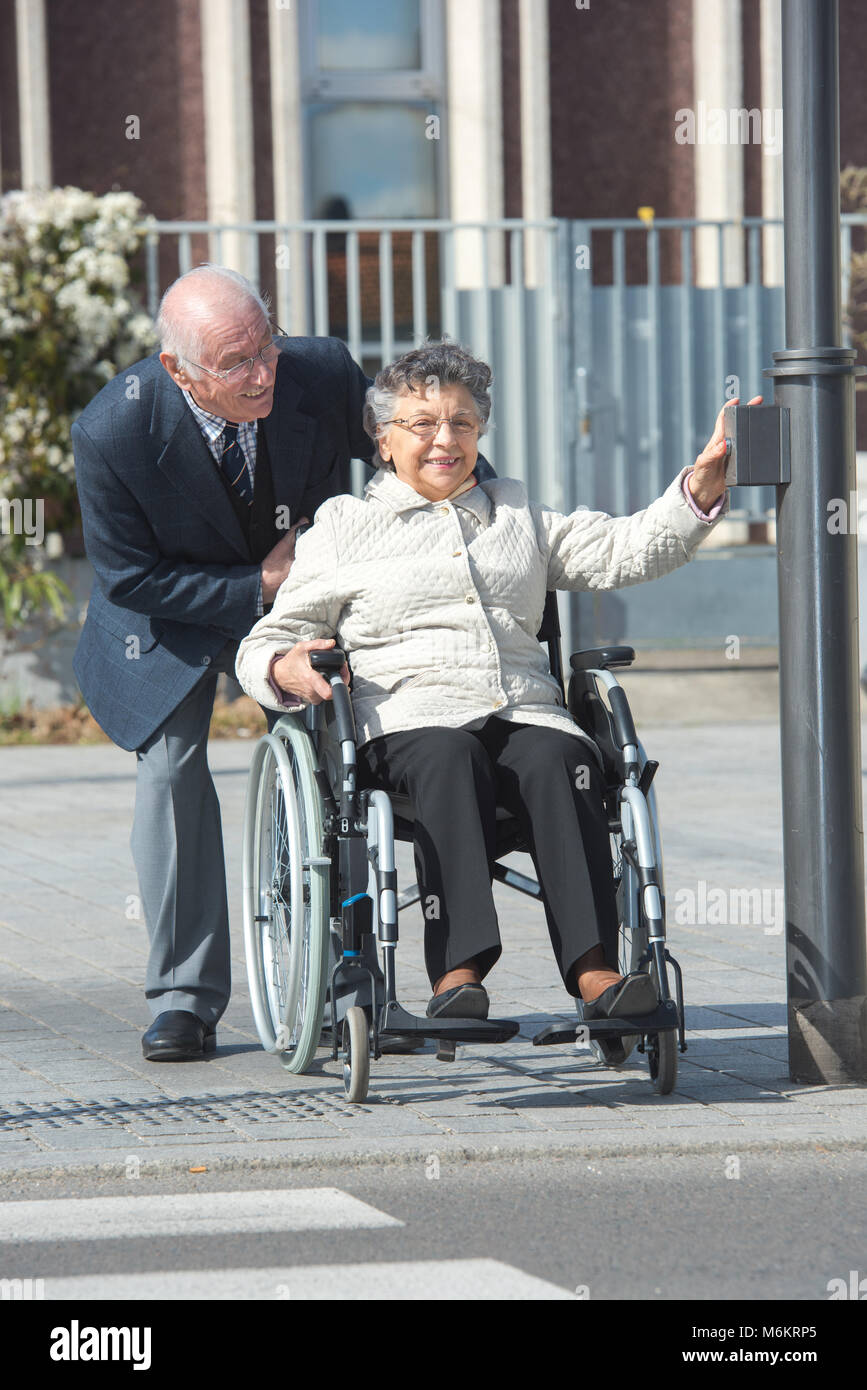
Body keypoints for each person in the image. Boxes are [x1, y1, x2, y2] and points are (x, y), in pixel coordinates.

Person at [235, 340, 761, 1064]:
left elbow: (626, 548)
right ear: (384, 441)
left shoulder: (516, 512)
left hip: (522, 709)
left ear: (479, 434)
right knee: (450, 754)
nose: (444, 440)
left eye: (461, 424)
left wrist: (698, 488)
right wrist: (283, 664)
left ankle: (596, 975)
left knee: (561, 756)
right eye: (421, 425)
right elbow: (270, 638)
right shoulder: (341, 529)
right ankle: (457, 975)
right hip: (409, 720)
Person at [72, 265, 376, 1061]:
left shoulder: (323, 371)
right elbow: (130, 576)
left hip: (297, 602)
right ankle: (182, 997)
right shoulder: (112, 430)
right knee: (170, 771)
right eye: (236, 365)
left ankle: (351, 978)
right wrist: (257, 581)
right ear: (178, 371)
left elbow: (407, 446)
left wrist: (482, 502)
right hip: (166, 613)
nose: (262, 373)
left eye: (266, 348)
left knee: (339, 754)